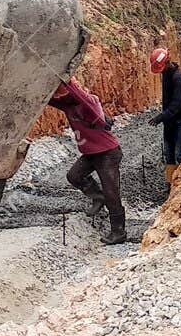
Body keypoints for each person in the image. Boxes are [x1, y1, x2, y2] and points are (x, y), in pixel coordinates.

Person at [47, 77, 126, 245]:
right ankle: (98, 197)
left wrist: (68, 80)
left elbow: (80, 96)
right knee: (74, 176)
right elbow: (50, 100)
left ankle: (118, 232)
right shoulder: (69, 106)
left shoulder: (90, 104)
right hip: (92, 153)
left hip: (108, 153)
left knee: (112, 192)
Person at [148, 46, 181, 188]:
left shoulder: (178, 77)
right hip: (170, 120)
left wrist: (159, 117)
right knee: (169, 153)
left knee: (180, 152)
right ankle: (170, 185)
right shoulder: (166, 73)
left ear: (167, 62)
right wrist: (164, 118)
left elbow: (176, 104)